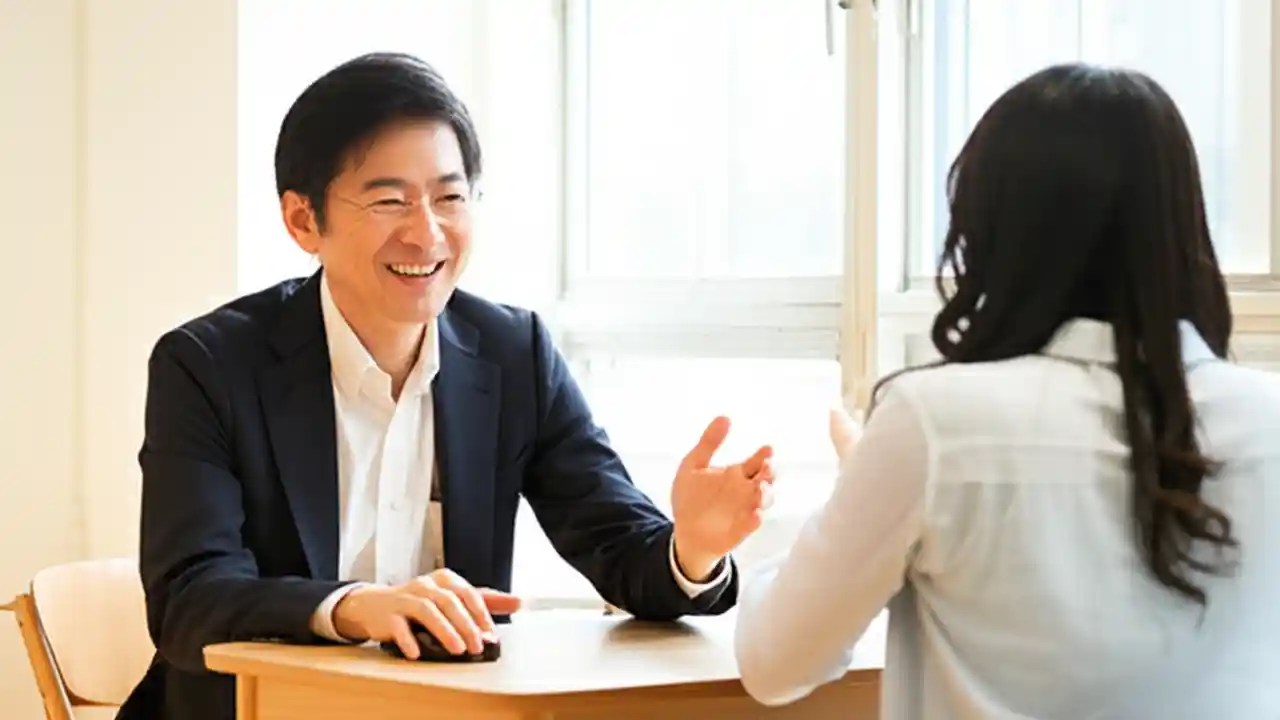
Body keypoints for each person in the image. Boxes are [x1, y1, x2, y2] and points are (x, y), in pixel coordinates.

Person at [117, 52, 775, 720]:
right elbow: (189, 599)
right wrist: (354, 608)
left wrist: (693, 548)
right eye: (389, 201)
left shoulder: (514, 354)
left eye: (450, 198)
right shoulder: (209, 365)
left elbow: (618, 548)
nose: (426, 233)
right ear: (303, 221)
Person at [734, 63, 1280, 719]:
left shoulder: (935, 424)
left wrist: (858, 489)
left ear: (994, 227)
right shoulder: (1267, 419)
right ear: (1183, 228)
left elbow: (776, 663)